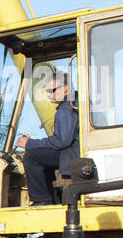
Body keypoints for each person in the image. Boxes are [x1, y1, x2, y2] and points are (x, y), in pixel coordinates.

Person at [15, 71, 79, 205]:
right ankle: (51, 198)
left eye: (52, 91)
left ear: (66, 88)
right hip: (74, 151)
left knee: (32, 156)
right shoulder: (73, 102)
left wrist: (30, 144)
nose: (49, 95)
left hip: (73, 155)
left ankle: (41, 200)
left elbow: (61, 141)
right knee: (42, 156)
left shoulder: (67, 108)